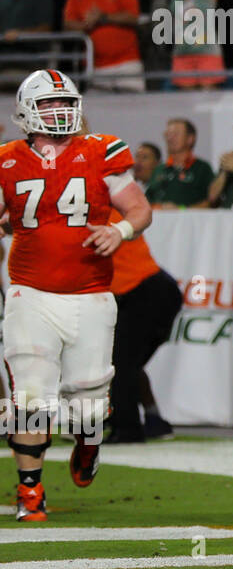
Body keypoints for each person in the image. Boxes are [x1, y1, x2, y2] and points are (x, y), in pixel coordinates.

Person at [0, 70, 152, 520]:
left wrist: (119, 229)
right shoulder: (7, 159)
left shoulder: (101, 150)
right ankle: (30, 492)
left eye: (64, 101)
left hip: (90, 294)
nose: (59, 111)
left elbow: (139, 209)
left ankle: (87, 445)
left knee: (88, 405)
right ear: (27, 110)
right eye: (48, 103)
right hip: (29, 293)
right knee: (29, 396)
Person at [106, 208, 183, 443]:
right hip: (150, 290)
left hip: (144, 291)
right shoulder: (107, 208)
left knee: (120, 363)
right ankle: (153, 420)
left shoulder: (96, 213)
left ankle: (127, 428)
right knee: (126, 363)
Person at [61, 0, 144, 91]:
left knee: (135, 109)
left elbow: (133, 17)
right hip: (96, 66)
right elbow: (67, 25)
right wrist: (86, 24)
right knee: (98, 111)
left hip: (127, 63)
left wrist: (103, 17)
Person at [146, 119, 215, 209]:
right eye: (168, 134)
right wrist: (160, 207)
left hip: (192, 222)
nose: (170, 138)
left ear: (190, 139)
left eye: (176, 134)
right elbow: (147, 201)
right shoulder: (159, 169)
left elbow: (211, 202)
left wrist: (181, 210)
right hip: (160, 221)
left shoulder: (202, 168)